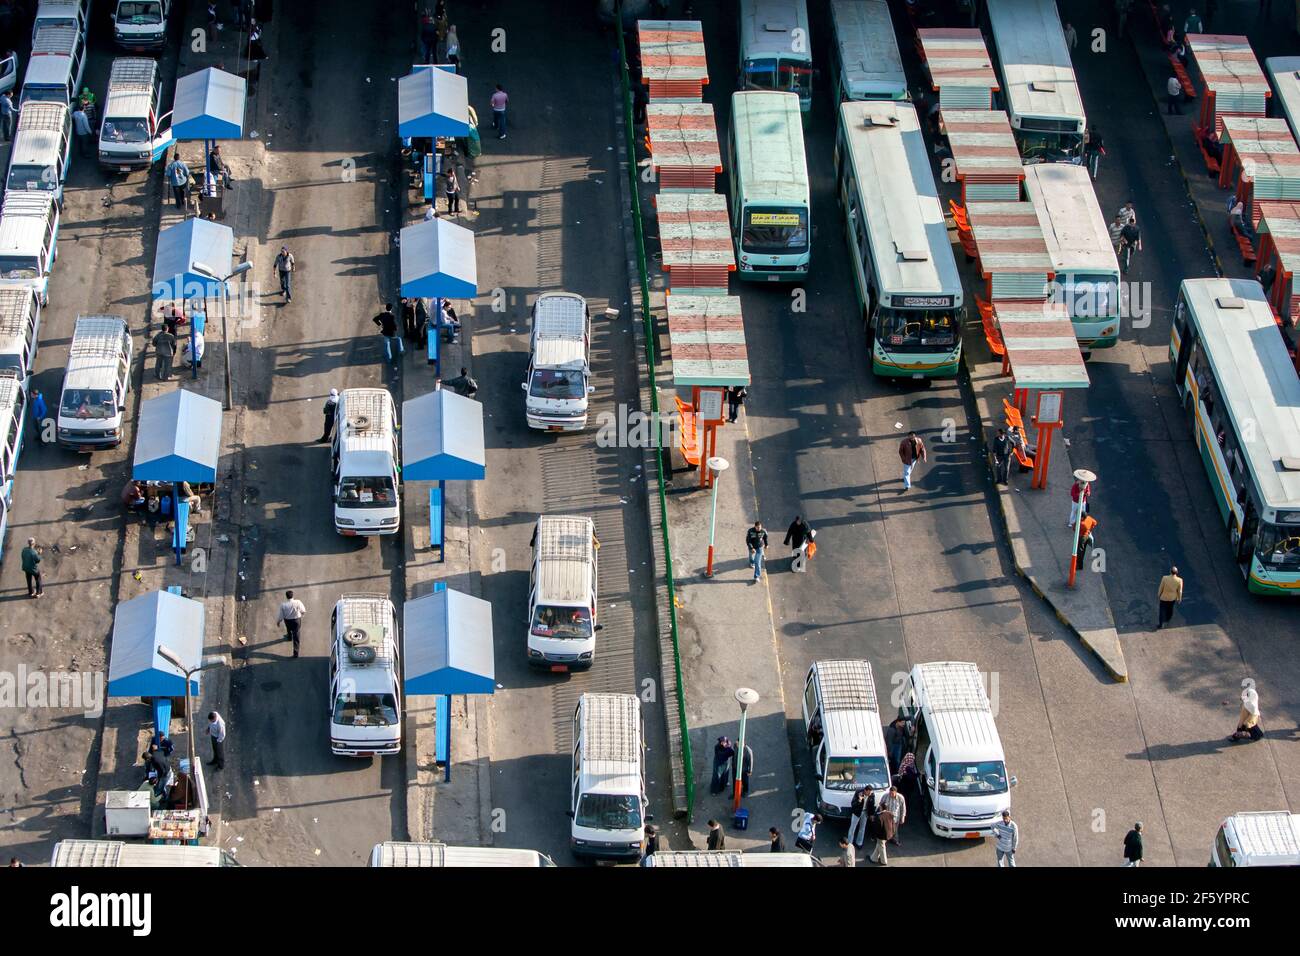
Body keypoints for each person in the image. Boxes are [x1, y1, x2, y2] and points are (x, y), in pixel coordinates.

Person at [277, 590, 307, 658]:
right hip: (296, 620)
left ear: (286, 597)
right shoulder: (298, 602)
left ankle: (289, 637)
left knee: (288, 629)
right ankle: (296, 653)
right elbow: (303, 610)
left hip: (287, 621)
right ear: (292, 596)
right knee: (296, 636)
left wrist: (278, 622)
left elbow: (281, 615)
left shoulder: (283, 605)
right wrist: (301, 614)